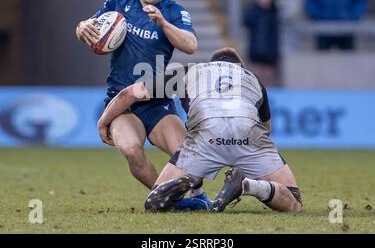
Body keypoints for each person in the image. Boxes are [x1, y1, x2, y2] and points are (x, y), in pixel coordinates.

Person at [76, 0, 211, 209]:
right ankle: (169, 200)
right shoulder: (120, 1)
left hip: (156, 101)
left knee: (189, 155)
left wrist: (163, 24)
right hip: (122, 103)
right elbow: (90, 27)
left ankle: (196, 193)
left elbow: (191, 45)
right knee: (131, 150)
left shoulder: (175, 12)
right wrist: (82, 26)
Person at [97, 47, 302, 213]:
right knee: (294, 200)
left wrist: (103, 122)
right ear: (239, 66)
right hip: (248, 133)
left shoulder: (191, 70)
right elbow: (266, 129)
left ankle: (189, 180)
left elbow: (128, 94)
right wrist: (254, 164)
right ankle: (250, 186)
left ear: (211, 64)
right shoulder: (252, 78)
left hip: (205, 136)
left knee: (155, 201)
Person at [243, 0, 279, 87]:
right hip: (255, 53)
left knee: (269, 80)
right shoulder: (252, 13)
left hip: (271, 55)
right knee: (255, 81)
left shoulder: (275, 13)